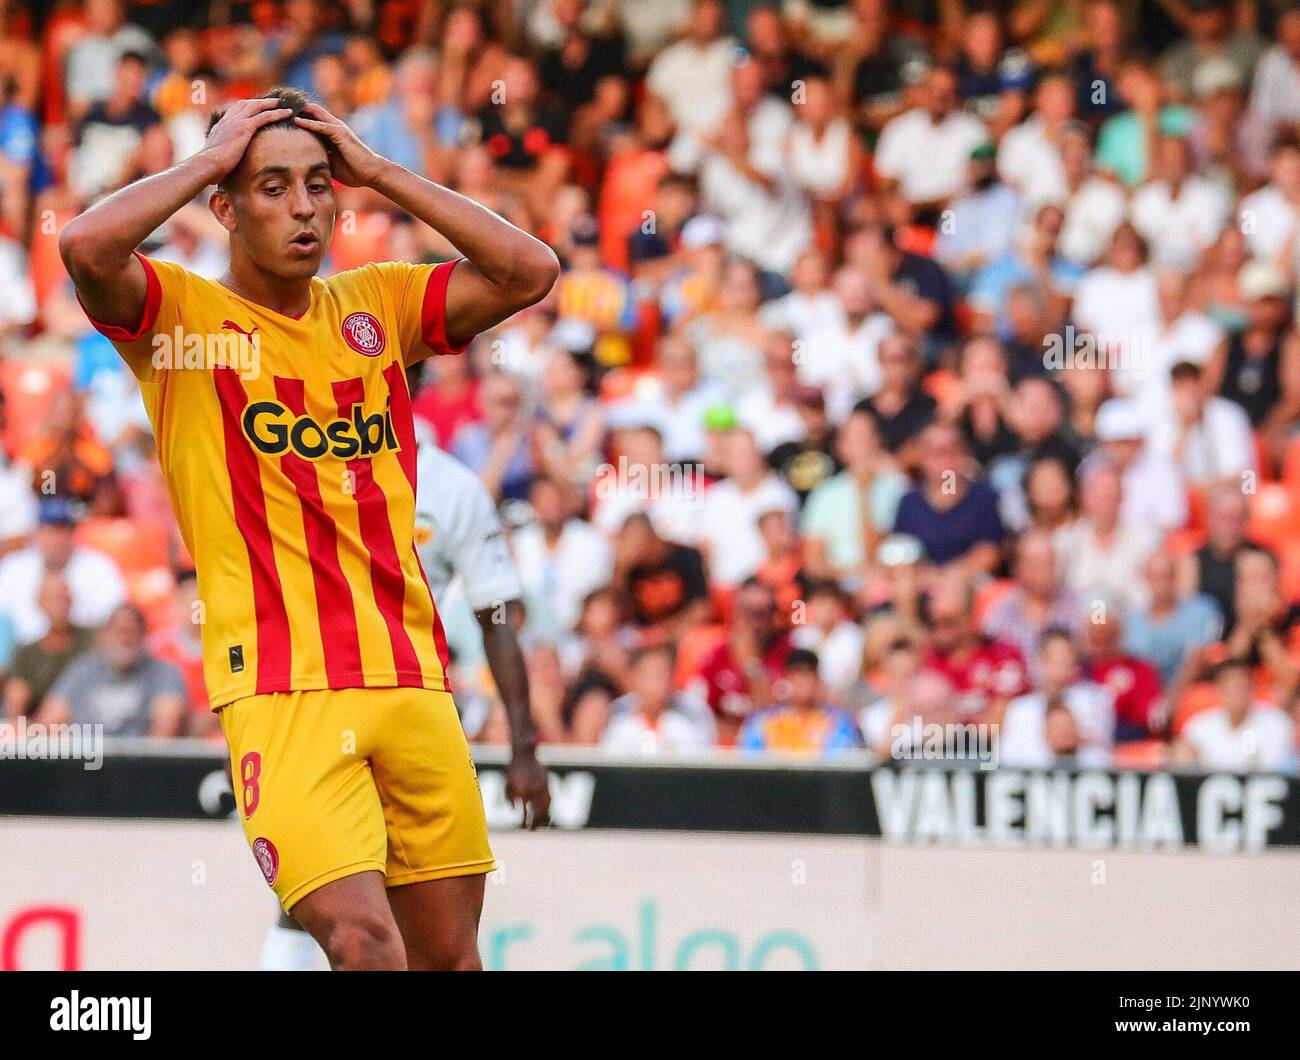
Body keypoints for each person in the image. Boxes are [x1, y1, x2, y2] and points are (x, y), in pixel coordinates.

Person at [60, 88, 560, 970]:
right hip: (281, 691)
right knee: (364, 943)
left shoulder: (381, 307)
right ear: (225, 206)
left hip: (411, 679)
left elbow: (531, 271)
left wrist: (382, 172)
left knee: (450, 960)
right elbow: (85, 245)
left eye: (320, 186)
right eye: (272, 187)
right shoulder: (182, 322)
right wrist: (208, 159)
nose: (304, 208)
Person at [261, 434, 550, 971]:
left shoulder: (452, 488)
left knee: (428, 929)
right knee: (317, 901)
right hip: (311, 696)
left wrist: (524, 746)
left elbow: (497, 614)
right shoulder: (295, 457)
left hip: (413, 700)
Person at [36, 603, 187, 737]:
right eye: (119, 631)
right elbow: (50, 722)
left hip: (140, 762)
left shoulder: (164, 672)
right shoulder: (82, 670)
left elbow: (165, 729)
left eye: (131, 631)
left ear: (143, 636)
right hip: (86, 759)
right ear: (104, 635)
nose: (125, 638)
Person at [1174, 658, 1295, 770]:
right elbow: (1183, 762)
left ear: (1251, 687)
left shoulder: (1276, 722)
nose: (1236, 695)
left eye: (1241, 687)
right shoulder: (1201, 725)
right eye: (1230, 688)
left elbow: (1274, 768)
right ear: (1219, 690)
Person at [737, 648, 863, 755]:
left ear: (817, 678)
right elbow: (749, 760)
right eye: (796, 674)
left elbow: (841, 762)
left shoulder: (838, 722)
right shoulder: (763, 723)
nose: (802, 681)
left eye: (808, 673)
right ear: (787, 679)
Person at [602, 643, 717, 753]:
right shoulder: (617, 717)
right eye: (649, 675)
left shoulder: (693, 715)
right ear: (633, 679)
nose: (657, 683)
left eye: (662, 674)